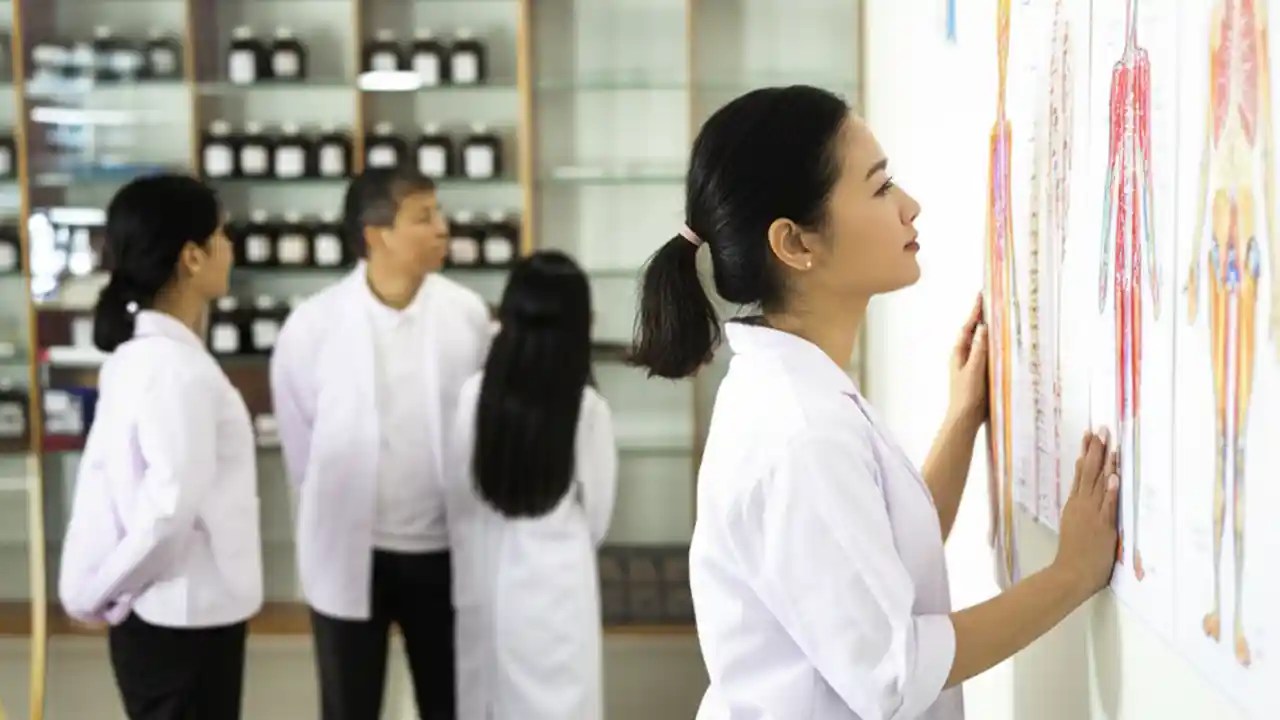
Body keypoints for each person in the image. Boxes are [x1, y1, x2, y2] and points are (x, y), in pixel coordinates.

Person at [630, 85, 1121, 720]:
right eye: (881, 187)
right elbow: (893, 673)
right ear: (797, 244)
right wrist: (1072, 575)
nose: (909, 207)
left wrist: (963, 417)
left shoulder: (799, 395)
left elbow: (878, 557)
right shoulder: (798, 431)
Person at [270, 167, 491, 720]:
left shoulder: (465, 314)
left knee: (452, 703)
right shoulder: (313, 325)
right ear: (376, 233)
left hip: (442, 550)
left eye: (438, 213)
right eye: (424, 217)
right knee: (349, 705)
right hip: (352, 550)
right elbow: (301, 446)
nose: (442, 228)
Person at [58, 174, 262, 720]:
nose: (231, 249)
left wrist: (106, 591)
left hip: (171, 614)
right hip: (181, 619)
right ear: (192, 257)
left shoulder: (147, 356)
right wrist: (103, 591)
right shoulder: (173, 368)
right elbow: (170, 509)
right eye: (222, 236)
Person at [445, 251, 617, 720]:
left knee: (489, 699)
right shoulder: (587, 409)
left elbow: (458, 492)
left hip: (486, 576)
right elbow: (598, 515)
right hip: (560, 586)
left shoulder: (473, 396)